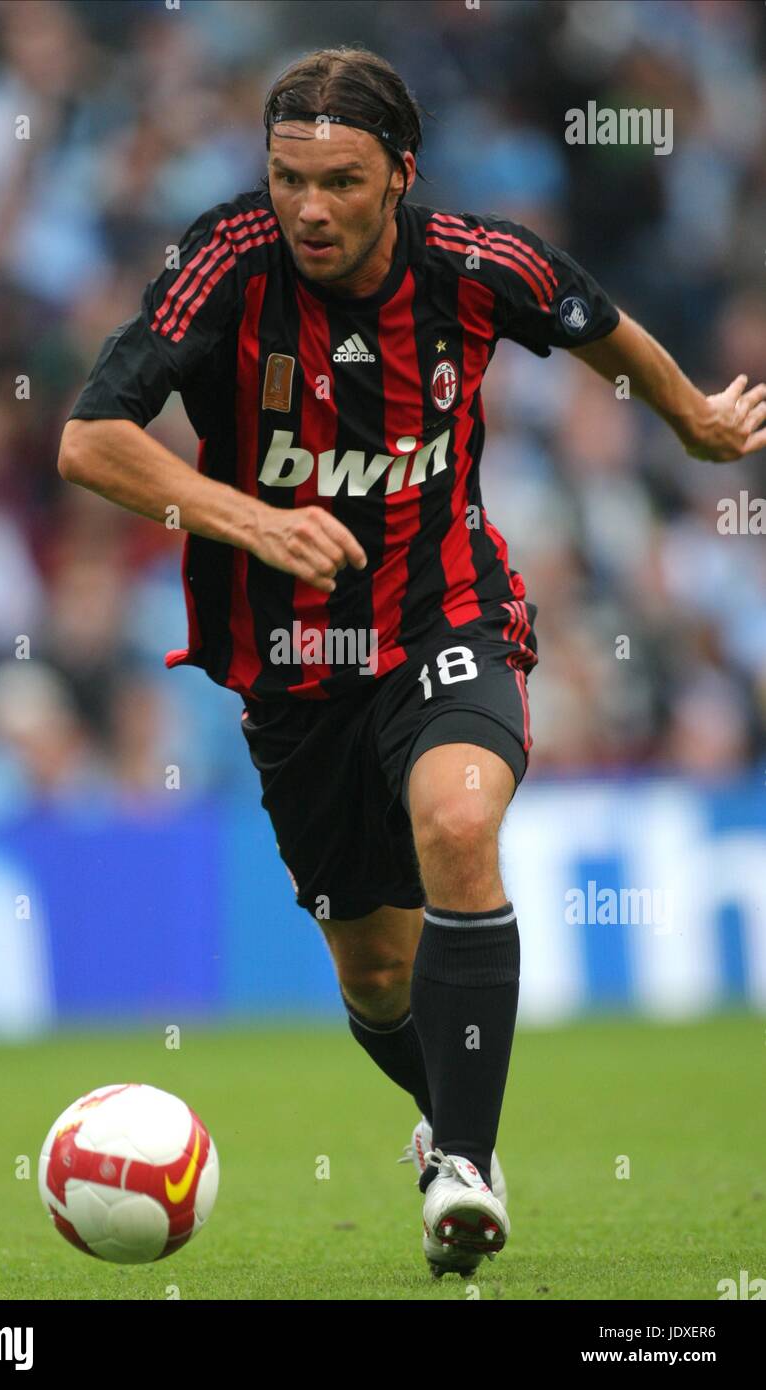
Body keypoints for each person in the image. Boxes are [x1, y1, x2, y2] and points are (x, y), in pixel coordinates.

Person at [57, 46, 766, 1278]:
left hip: (446, 612)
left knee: (453, 818)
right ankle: (447, 1111)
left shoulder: (479, 264)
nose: (309, 208)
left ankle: (463, 1169)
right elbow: (87, 439)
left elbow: (598, 326)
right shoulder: (221, 264)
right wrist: (250, 517)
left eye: (339, 179)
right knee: (378, 978)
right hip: (284, 663)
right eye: (287, 178)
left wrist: (694, 418)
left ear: (400, 176)